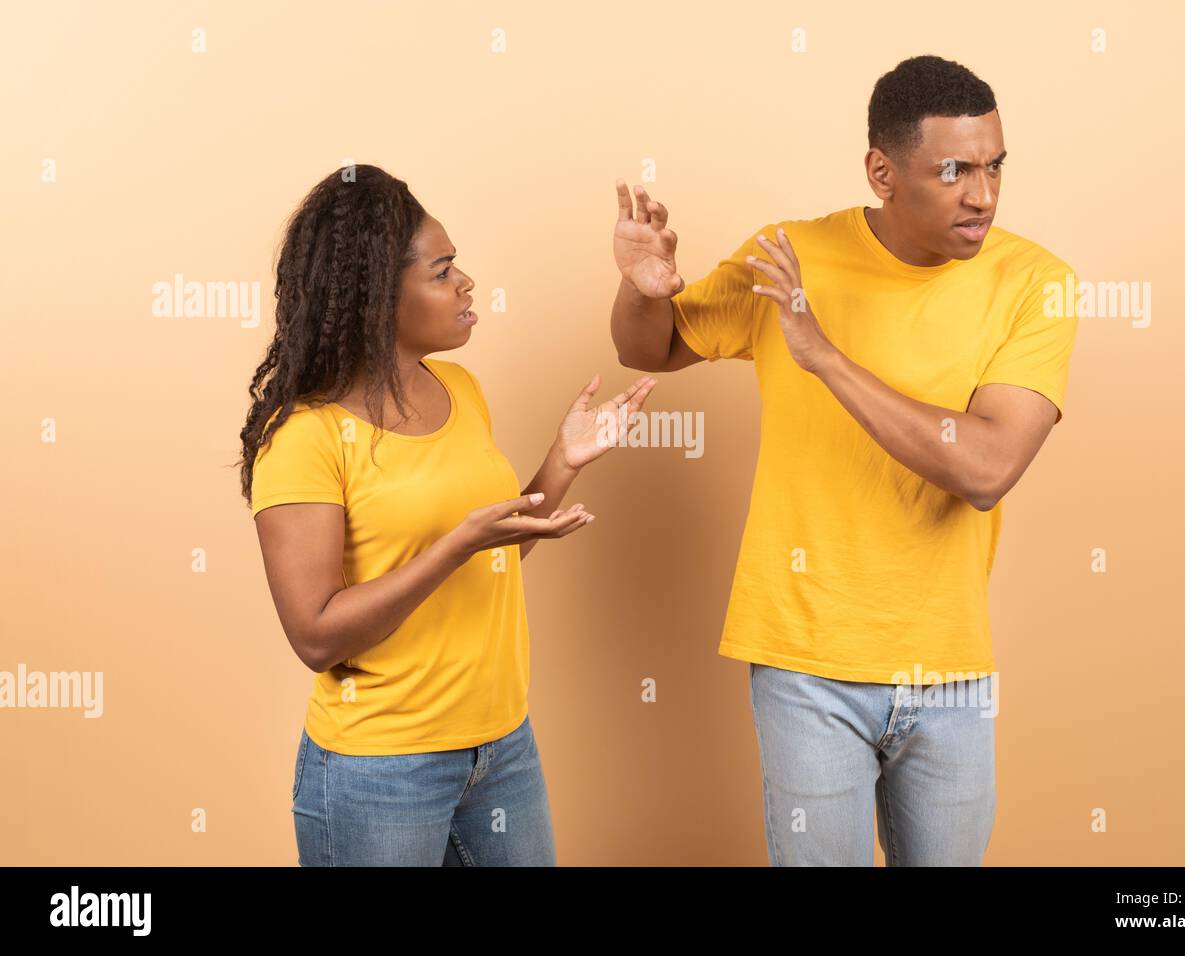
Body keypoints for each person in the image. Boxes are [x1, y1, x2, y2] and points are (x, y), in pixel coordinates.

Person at [609, 54, 1079, 866]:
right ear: (882, 171)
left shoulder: (1036, 282)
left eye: (996, 166)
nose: (985, 196)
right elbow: (651, 348)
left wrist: (820, 354)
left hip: (952, 671)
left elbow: (987, 467)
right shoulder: (790, 253)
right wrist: (644, 288)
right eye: (955, 170)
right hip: (804, 662)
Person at [238, 164, 655, 866]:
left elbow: (491, 548)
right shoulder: (303, 436)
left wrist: (562, 460)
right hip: (381, 771)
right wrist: (453, 547)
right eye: (442, 271)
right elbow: (314, 635)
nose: (465, 284)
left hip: (502, 749)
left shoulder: (459, 388)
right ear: (377, 300)